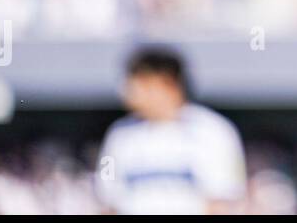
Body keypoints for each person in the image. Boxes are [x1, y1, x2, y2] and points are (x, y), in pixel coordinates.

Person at [96, 46, 246, 214]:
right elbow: (109, 202)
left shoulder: (213, 131)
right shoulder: (119, 135)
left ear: (166, 82)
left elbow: (222, 201)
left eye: (140, 83)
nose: (128, 91)